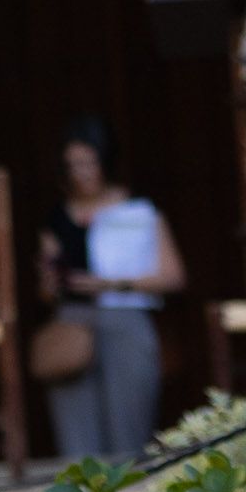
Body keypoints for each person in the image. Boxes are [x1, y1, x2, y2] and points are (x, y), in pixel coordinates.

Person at [39, 118, 181, 459]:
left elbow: (173, 276)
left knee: (130, 433)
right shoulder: (57, 217)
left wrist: (112, 283)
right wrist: (51, 279)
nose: (82, 172)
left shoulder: (139, 209)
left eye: (88, 162)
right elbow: (45, 292)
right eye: (73, 165)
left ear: (106, 160)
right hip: (73, 323)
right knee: (78, 442)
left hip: (126, 315)